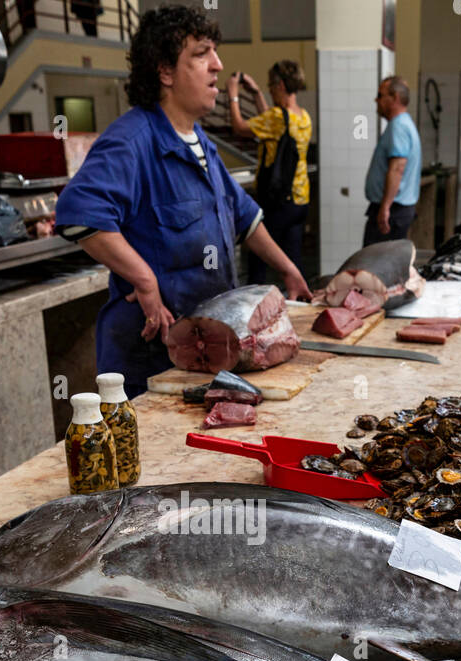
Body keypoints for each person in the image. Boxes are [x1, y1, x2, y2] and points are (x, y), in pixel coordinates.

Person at [54, 5, 310, 398]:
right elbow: (78, 214)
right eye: (202, 53)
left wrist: (290, 270)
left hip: (205, 353)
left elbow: (246, 219)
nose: (218, 65)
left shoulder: (201, 143)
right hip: (150, 363)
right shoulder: (132, 140)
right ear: (166, 71)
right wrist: (144, 279)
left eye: (215, 53)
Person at [227, 60, 311, 285]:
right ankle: (302, 299)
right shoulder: (303, 116)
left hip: (279, 201)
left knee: (259, 256)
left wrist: (233, 95)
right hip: (300, 200)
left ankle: (257, 308)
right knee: (292, 258)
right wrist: (255, 94)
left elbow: (239, 127)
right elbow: (270, 123)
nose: (270, 90)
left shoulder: (276, 118)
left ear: (281, 85)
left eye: (271, 86)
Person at [362, 76, 421, 247]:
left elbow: (397, 168)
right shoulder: (403, 123)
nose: (376, 100)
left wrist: (385, 208)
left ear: (394, 98)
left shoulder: (399, 126)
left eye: (380, 95)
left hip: (392, 211)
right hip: (395, 209)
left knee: (374, 266)